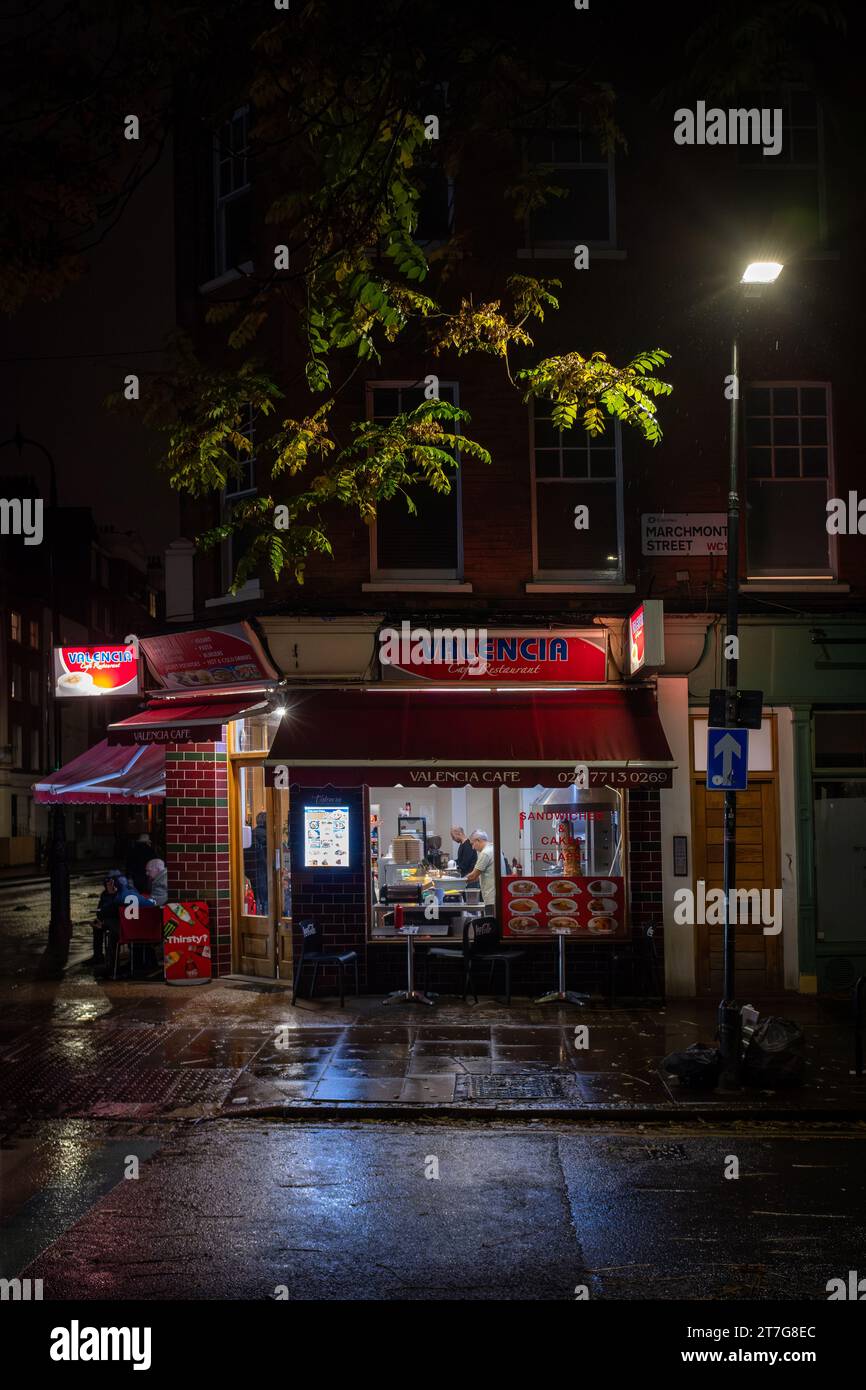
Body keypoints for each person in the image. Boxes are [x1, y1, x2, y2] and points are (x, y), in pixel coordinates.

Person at [465, 829, 496, 910]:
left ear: (478, 840)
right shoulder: (494, 848)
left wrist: (458, 883)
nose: (472, 848)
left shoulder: (485, 853)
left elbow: (473, 876)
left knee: (491, 920)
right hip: (496, 895)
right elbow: (480, 876)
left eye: (472, 844)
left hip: (491, 897)